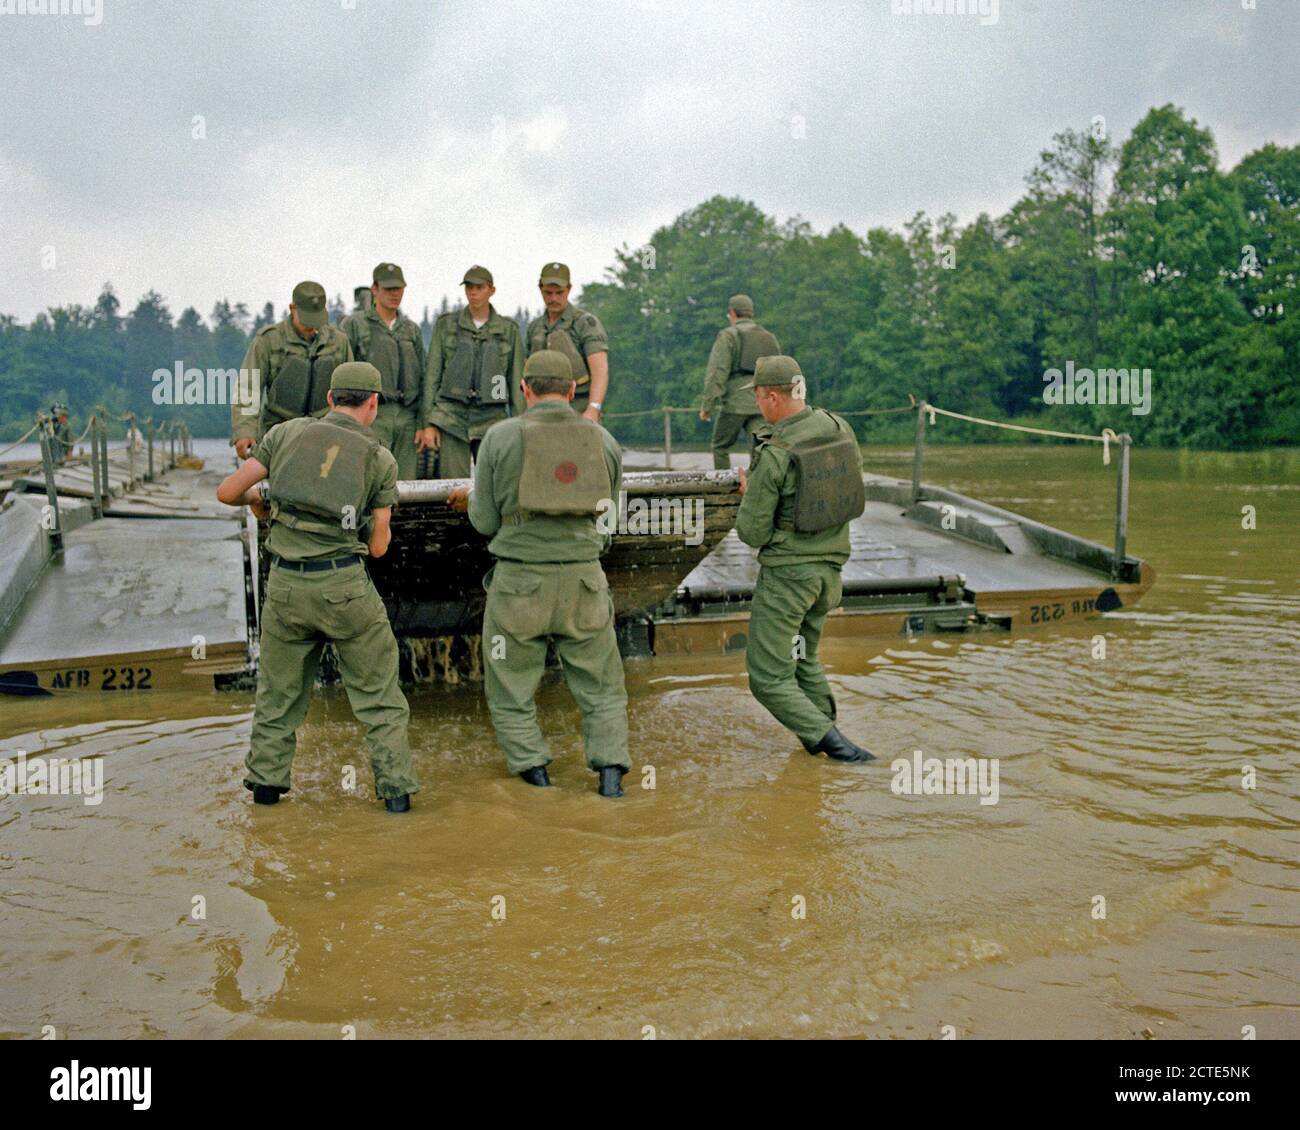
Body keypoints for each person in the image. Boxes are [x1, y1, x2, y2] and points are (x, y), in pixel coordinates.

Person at [216, 361, 420, 812]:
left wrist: (260, 502)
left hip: (287, 587)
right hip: (344, 587)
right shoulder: (380, 458)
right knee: (380, 701)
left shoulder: (285, 434)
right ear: (373, 404)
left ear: (329, 399)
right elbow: (380, 546)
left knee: (277, 697)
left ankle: (266, 792)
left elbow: (228, 492)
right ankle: (396, 797)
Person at [447, 350, 630, 797]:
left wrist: (467, 499)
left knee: (511, 691)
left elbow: (485, 521)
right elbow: (609, 522)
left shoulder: (500, 437)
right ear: (572, 391)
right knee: (603, 690)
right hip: (585, 583)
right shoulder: (602, 440)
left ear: (524, 389)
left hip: (519, 588)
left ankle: (537, 783)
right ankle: (609, 783)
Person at [735, 355, 875, 763]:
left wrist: (752, 493)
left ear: (774, 398)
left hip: (788, 583)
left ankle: (838, 748)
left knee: (767, 677)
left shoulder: (777, 451)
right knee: (801, 658)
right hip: (828, 577)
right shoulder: (838, 427)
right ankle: (822, 740)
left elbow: (752, 532)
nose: (758, 407)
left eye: (759, 398)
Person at [419, 265, 524, 478]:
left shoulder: (508, 331)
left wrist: (521, 427)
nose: (473, 293)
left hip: (493, 418)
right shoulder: (446, 325)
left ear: (491, 290)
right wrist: (428, 423)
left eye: (479, 287)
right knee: (452, 487)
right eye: (469, 287)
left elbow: (516, 384)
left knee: (494, 483)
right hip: (451, 417)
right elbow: (432, 376)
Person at [230, 281, 353, 458]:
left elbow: (351, 392)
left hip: (327, 433)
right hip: (279, 432)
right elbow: (248, 387)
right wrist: (244, 430)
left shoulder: (339, 342)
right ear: (292, 308)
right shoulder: (268, 340)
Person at [340, 262, 426, 479]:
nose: (394, 294)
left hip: (408, 418)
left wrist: (423, 423)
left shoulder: (411, 329)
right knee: (371, 480)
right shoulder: (354, 325)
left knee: (406, 486)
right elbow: (342, 373)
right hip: (371, 416)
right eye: (388, 289)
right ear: (375, 289)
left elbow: (425, 377)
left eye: (398, 289)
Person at [699, 294, 781, 470]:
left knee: (720, 446)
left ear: (731, 313)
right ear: (751, 313)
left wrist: (708, 406)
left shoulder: (729, 335)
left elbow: (717, 373)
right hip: (763, 402)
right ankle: (759, 488)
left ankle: (722, 489)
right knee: (761, 448)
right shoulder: (768, 337)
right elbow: (779, 370)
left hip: (735, 403)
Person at [524, 262, 609, 422]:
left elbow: (600, 371)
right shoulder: (534, 327)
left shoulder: (586, 324)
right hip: (538, 413)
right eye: (548, 293)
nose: (553, 298)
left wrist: (593, 409)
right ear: (540, 289)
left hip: (577, 408)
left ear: (569, 289)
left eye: (559, 292)